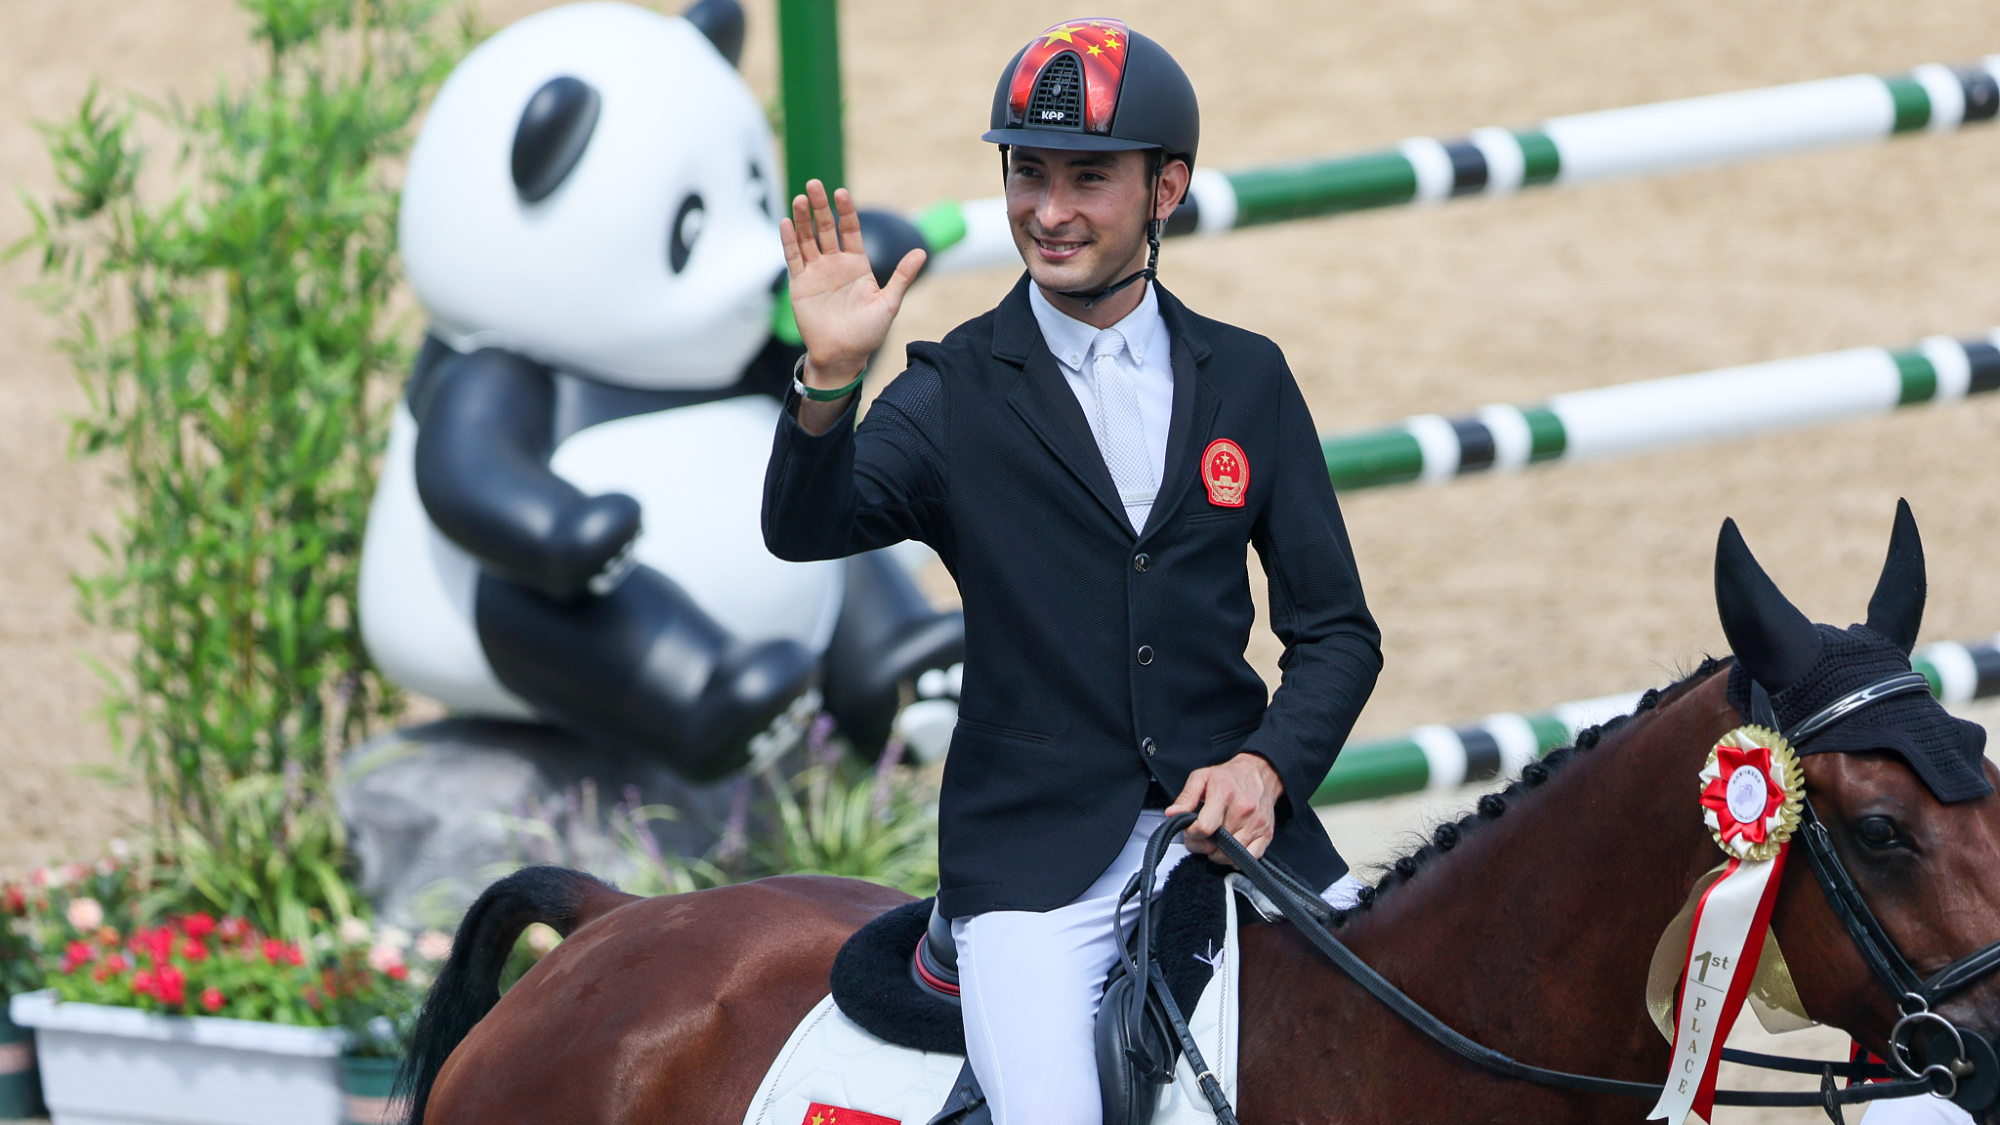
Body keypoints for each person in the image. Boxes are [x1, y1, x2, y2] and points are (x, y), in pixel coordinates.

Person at [763, 18, 1382, 1122]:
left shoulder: (1246, 378)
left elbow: (1335, 632)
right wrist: (825, 379)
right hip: (1037, 873)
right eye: (1026, 172)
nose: (1047, 211)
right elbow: (807, 527)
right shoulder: (952, 389)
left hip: (1239, 832)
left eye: (1087, 176)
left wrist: (1266, 766)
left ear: (1166, 187)